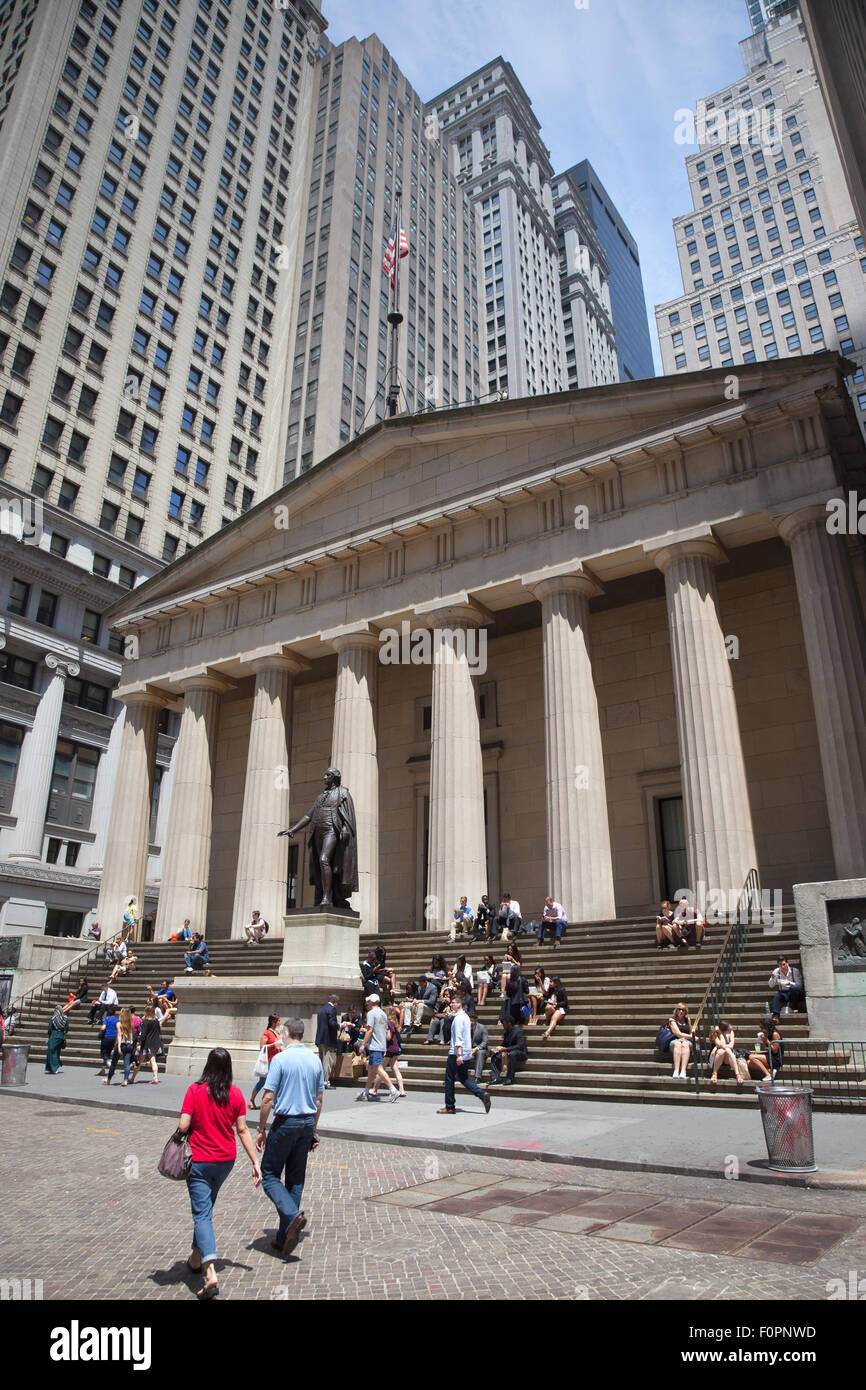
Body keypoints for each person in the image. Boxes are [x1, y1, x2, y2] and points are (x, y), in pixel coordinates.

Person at [179, 1047, 261, 1297]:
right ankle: (195, 1259)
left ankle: (210, 1270)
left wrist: (188, 1126)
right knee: (205, 1208)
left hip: (200, 1160)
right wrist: (255, 1162)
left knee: (202, 1213)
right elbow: (244, 1130)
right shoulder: (235, 1094)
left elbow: (183, 1124)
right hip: (225, 1161)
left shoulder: (194, 1091)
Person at [257, 1017, 323, 1256]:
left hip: (285, 1122)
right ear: (302, 1035)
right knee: (295, 1179)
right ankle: (285, 1235)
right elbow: (319, 1100)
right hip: (306, 1122)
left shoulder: (281, 1059)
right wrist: (314, 1129)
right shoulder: (315, 1060)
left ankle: (293, 1215)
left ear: (285, 1034)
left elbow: (267, 1098)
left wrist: (261, 1129)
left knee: (269, 1174)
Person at [437, 989, 491, 1114]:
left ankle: (449, 1106)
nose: (451, 1004)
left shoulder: (458, 1019)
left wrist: (459, 1054)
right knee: (463, 1078)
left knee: (449, 1078)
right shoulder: (466, 1017)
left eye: (453, 1003)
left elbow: (459, 1037)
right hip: (466, 1053)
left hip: (457, 1053)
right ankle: (482, 1094)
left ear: (459, 1004)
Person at [357, 993, 399, 1101]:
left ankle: (393, 1090)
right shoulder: (383, 1014)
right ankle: (366, 1092)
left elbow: (369, 1030)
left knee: (377, 1068)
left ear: (372, 1002)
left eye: (368, 1001)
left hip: (375, 1045)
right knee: (371, 1069)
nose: (367, 1003)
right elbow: (384, 1031)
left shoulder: (371, 1013)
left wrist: (362, 1044)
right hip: (381, 1044)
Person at [248, 1013, 282, 1109]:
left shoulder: (277, 1033)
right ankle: (252, 1099)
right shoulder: (266, 1033)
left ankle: (273, 1101)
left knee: (276, 1081)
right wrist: (274, 1044)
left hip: (277, 1060)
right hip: (268, 1061)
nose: (280, 1022)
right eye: (278, 1020)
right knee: (263, 1081)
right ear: (273, 1022)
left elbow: (280, 1047)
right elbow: (262, 1047)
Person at [489, 1017, 528, 1086]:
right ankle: (496, 1078)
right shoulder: (506, 1033)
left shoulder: (519, 1032)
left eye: (504, 1024)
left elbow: (520, 1045)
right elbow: (504, 1045)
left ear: (509, 1023)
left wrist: (507, 1049)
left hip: (520, 1053)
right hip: (508, 1052)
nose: (503, 1025)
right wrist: (496, 1049)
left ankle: (509, 1078)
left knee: (512, 1054)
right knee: (495, 1055)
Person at [708, 1021, 749, 1085]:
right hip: (716, 1057)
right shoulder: (715, 1034)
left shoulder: (731, 1032)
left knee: (727, 1050)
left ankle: (737, 1074)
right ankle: (715, 1073)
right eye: (727, 1029)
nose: (729, 1030)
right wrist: (720, 1034)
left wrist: (724, 1047)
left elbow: (731, 1045)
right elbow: (721, 1044)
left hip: (728, 1057)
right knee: (721, 1051)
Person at [131, 1004, 163, 1085]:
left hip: (146, 1044)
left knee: (139, 1061)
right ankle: (155, 1078)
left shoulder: (145, 1022)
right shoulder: (156, 1021)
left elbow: (143, 1034)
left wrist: (139, 1042)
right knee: (153, 1060)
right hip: (155, 1043)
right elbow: (158, 1031)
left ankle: (132, 1078)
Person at [45, 998, 78, 1073]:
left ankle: (52, 1067)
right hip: (61, 1036)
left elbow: (50, 1029)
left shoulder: (53, 1018)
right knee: (57, 1052)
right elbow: (66, 1028)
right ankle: (56, 1066)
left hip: (54, 1035)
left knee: (51, 1052)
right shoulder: (65, 1018)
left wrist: (50, 1035)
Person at [104, 1007, 136, 1086]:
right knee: (127, 1063)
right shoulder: (131, 1023)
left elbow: (119, 1036)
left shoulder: (119, 1024)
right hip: (129, 1045)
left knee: (114, 1063)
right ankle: (125, 1080)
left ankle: (108, 1079)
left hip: (122, 1044)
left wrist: (118, 1047)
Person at [315, 994, 339, 1089]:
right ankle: (326, 1082)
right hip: (328, 1039)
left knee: (321, 1060)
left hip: (320, 1038)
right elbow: (332, 1023)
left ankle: (320, 1081)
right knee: (327, 1061)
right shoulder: (332, 1009)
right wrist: (340, 1026)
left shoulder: (321, 1010)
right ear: (335, 1002)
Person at [748, 1016, 783, 1080]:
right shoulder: (768, 1034)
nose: (761, 1030)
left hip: (776, 1059)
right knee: (749, 1062)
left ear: (767, 1026)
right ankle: (769, 1071)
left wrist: (766, 1040)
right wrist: (764, 1040)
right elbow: (767, 1048)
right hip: (770, 1056)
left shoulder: (775, 1034)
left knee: (751, 1057)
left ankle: (768, 1075)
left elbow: (775, 1050)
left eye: (762, 1027)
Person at [667, 1003, 695, 1080]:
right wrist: (692, 1037)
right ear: (676, 1011)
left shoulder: (687, 1020)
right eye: (679, 1009)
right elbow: (678, 1033)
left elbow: (690, 1031)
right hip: (675, 1040)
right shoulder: (672, 1020)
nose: (681, 1011)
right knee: (678, 1044)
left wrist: (690, 1036)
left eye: (683, 1010)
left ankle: (683, 1071)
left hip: (686, 1041)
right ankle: (676, 1070)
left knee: (685, 1044)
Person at [384, 1006, 406, 1097]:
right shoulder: (394, 1023)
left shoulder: (388, 1023)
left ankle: (374, 1089)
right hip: (395, 1048)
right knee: (395, 1069)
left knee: (381, 1069)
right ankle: (402, 1089)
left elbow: (388, 1037)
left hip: (389, 1048)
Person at [469, 1011, 489, 1084]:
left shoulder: (482, 1027)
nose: (470, 1023)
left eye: (472, 1021)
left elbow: (485, 1042)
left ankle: (478, 1077)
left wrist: (476, 1048)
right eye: (469, 1020)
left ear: (476, 1020)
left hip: (480, 1048)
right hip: (469, 1048)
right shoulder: (465, 1028)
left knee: (480, 1053)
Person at [98, 1007, 119, 1075]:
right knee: (108, 1052)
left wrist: (101, 1029)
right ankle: (103, 1068)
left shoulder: (107, 1019)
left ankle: (111, 1067)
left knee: (103, 1053)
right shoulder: (117, 1019)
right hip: (114, 1037)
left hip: (107, 1037)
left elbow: (103, 1027)